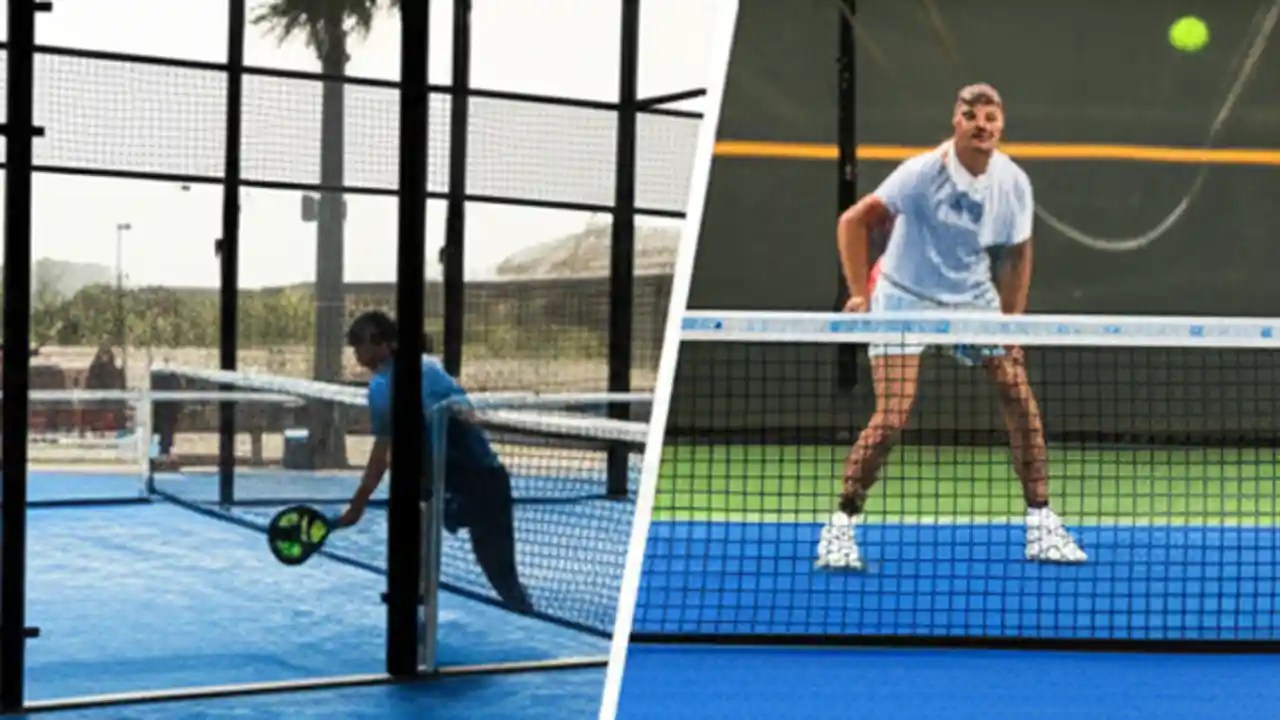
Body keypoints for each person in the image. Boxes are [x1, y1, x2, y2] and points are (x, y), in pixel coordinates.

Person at [817, 83, 1087, 570]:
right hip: (903, 296)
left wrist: (1011, 326)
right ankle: (841, 527)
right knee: (892, 416)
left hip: (972, 300)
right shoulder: (921, 174)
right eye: (971, 114)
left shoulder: (1013, 183)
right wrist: (859, 293)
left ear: (1001, 125)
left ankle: (1042, 524)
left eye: (991, 115)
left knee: (1017, 394)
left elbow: (1018, 255)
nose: (982, 123)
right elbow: (855, 222)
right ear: (956, 122)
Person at [336, 310, 533, 613]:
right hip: (436, 483)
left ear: (383, 344)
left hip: (479, 478)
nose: (356, 353)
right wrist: (358, 503)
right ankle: (414, 600)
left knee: (498, 570)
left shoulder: (424, 371)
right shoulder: (382, 386)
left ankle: (522, 607)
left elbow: (462, 409)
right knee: (411, 527)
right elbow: (383, 450)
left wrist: (358, 504)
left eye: (359, 344)